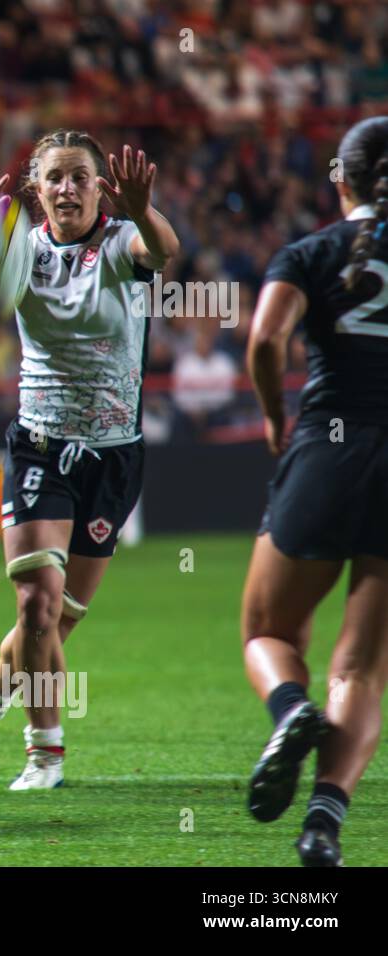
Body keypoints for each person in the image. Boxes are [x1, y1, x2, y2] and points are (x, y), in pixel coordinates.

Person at [0, 132, 179, 789]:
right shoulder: (19, 249)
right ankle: (45, 754)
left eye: (80, 177)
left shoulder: (121, 242)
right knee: (38, 608)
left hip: (114, 454)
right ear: (35, 191)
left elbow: (164, 250)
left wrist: (146, 208)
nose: (68, 188)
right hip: (40, 445)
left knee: (56, 621)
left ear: (101, 187)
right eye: (54, 178)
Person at [240, 116, 388, 867]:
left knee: (268, 633)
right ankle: (323, 823)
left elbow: (266, 340)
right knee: (361, 668)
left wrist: (273, 415)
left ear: (342, 183)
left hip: (328, 450)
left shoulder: (311, 252)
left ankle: (292, 711)